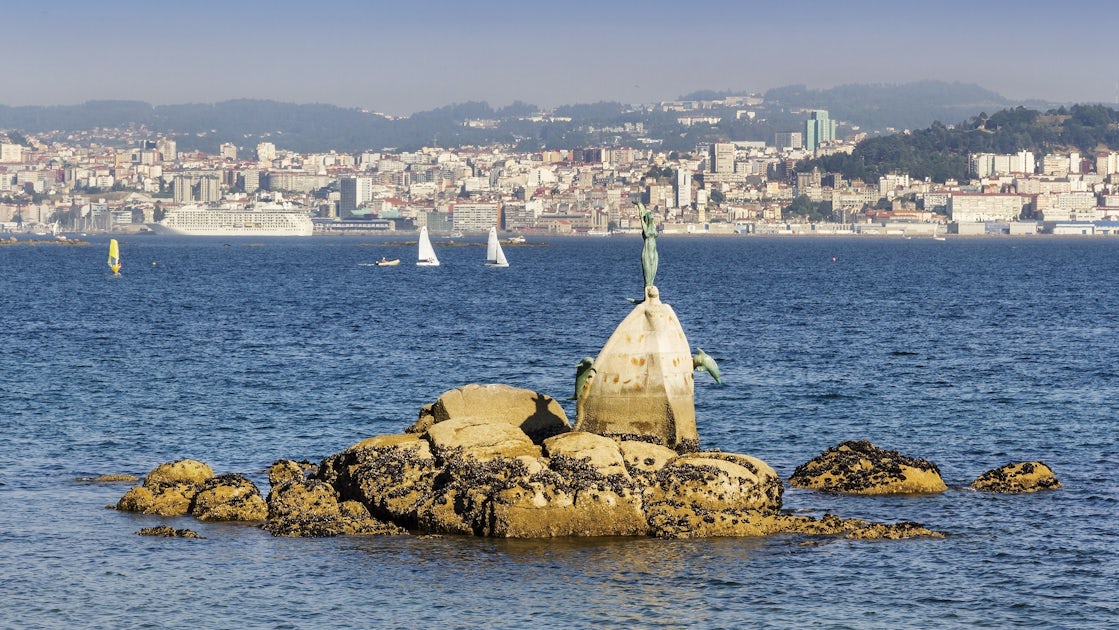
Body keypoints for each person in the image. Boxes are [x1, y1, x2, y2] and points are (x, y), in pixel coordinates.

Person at [639, 202, 658, 288]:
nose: (652, 218)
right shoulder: (645, 226)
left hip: (654, 252)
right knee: (647, 273)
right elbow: (642, 214)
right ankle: (647, 290)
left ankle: (650, 287)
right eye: (650, 217)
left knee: (653, 272)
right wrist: (639, 205)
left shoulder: (653, 227)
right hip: (647, 252)